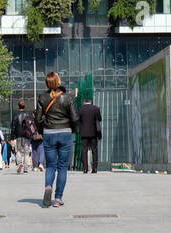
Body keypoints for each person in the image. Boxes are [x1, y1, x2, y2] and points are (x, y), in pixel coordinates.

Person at [34, 72, 79, 208]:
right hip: (65, 133)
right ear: (58, 82)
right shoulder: (68, 97)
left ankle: (48, 187)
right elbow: (74, 118)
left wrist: (42, 131)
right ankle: (58, 198)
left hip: (49, 133)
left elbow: (37, 119)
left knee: (51, 166)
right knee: (62, 167)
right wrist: (74, 130)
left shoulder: (42, 97)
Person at [78, 96, 102, 173]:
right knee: (94, 150)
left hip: (84, 133)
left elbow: (78, 119)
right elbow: (100, 119)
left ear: (84, 102)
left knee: (84, 150)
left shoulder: (80, 109)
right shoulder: (96, 108)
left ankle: (85, 168)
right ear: (90, 102)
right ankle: (94, 168)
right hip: (93, 133)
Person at [10, 100, 33, 174]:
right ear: (24, 106)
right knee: (26, 152)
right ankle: (26, 169)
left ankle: (20, 164)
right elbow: (31, 125)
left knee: (18, 151)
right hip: (26, 135)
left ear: (18, 106)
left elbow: (13, 127)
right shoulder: (28, 115)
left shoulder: (15, 115)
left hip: (18, 135)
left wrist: (12, 137)